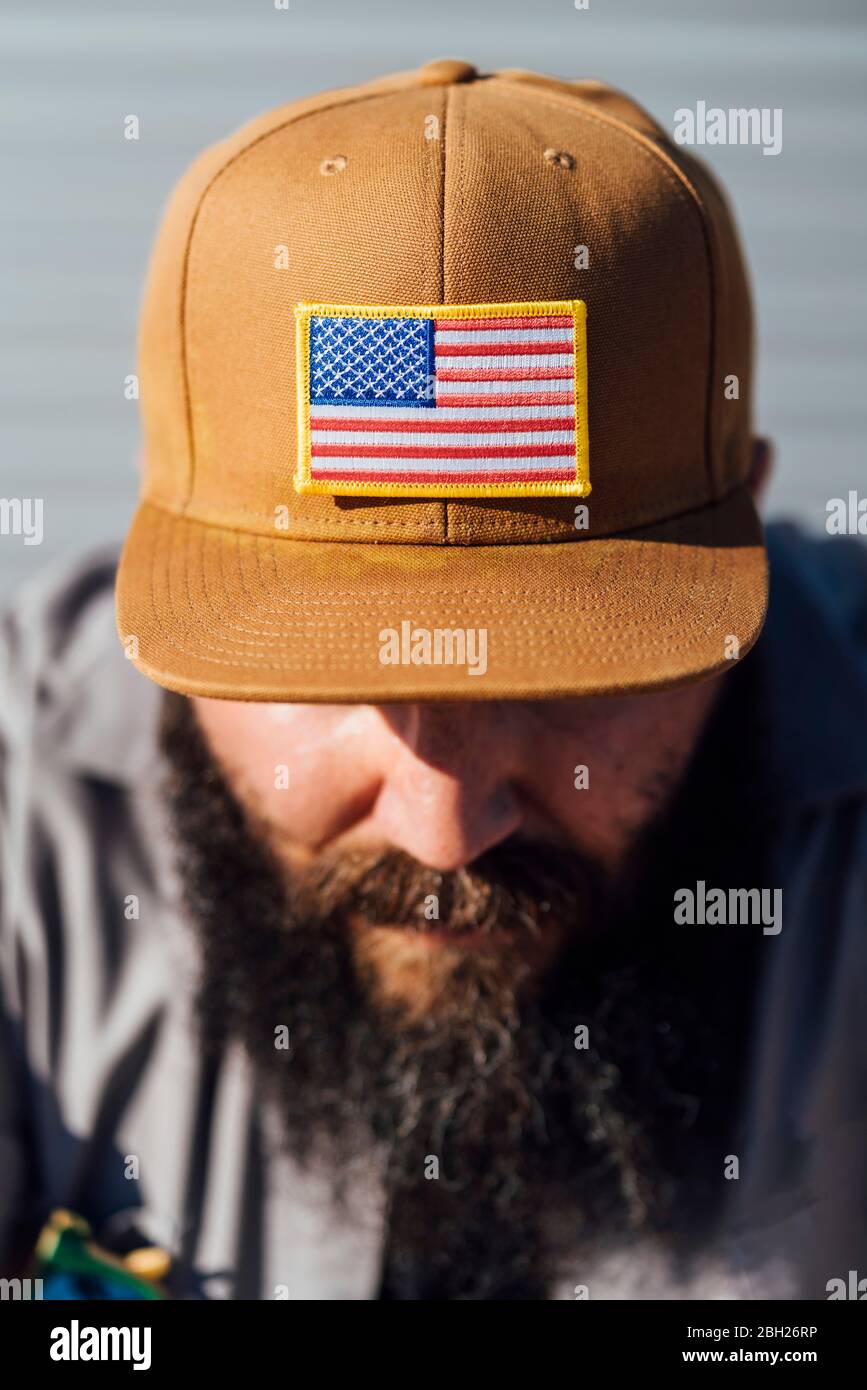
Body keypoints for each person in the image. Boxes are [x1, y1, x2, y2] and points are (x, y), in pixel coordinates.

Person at [1, 61, 865, 1301]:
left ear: (750, 536)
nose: (446, 823)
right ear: (164, 568)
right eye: (326, 673)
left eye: (575, 673)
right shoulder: (20, 790)